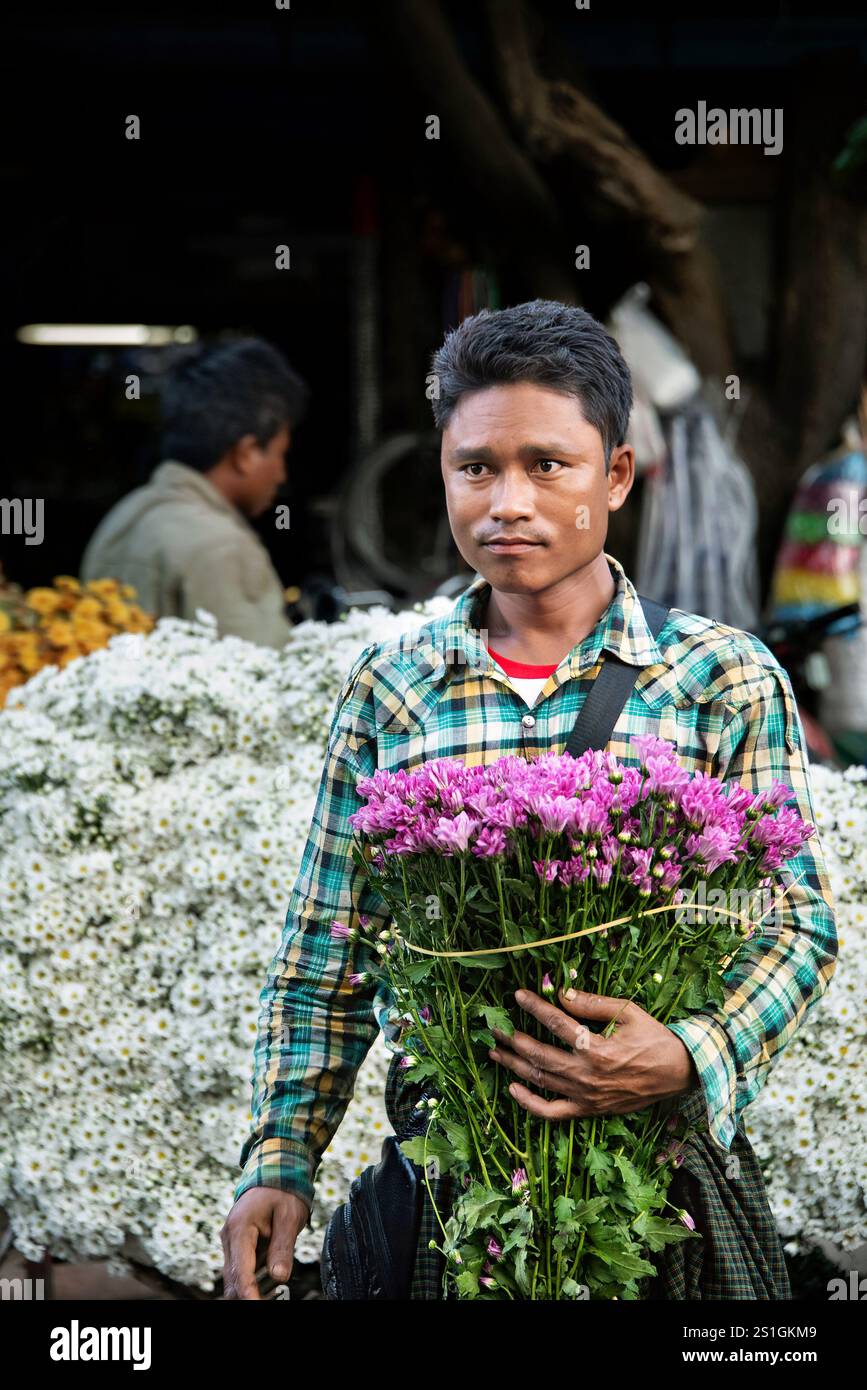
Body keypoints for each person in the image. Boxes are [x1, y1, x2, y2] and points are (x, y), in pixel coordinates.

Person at [221, 301, 837, 1299]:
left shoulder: (720, 677)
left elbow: (797, 927)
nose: (508, 499)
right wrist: (280, 1160)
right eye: (477, 467)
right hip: (450, 1184)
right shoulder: (393, 688)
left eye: (548, 464)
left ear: (618, 476)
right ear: (445, 476)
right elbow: (325, 952)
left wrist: (684, 1053)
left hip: (651, 1187)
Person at [81, 339, 308, 647]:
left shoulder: (124, 515)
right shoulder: (223, 546)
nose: (281, 475)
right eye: (280, 454)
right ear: (247, 453)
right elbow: (259, 677)